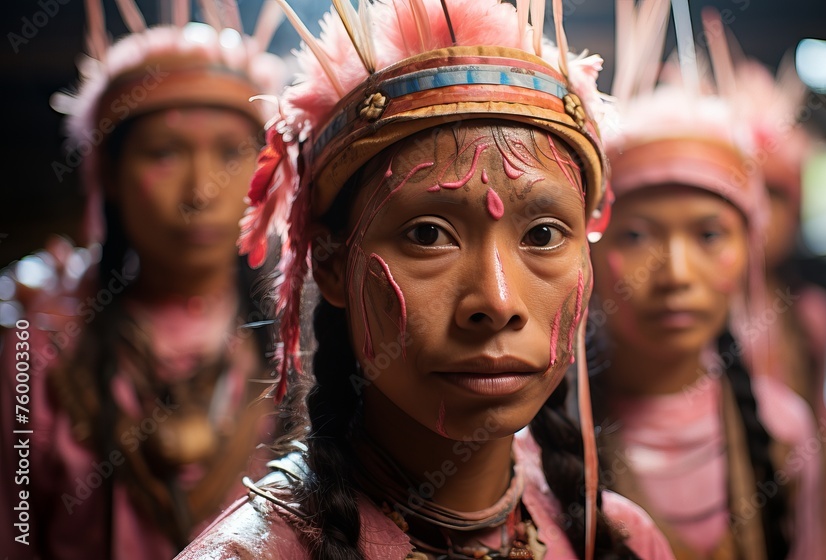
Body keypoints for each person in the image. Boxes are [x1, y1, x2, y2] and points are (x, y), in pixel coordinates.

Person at [176, 1, 675, 559]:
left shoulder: (627, 542)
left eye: (542, 235)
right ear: (332, 263)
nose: (497, 301)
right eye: (429, 235)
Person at [0, 2, 287, 558]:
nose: (201, 191)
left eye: (231, 153)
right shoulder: (33, 351)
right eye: (164, 153)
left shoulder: (305, 348)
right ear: (107, 171)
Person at [584, 3, 822, 559]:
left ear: (748, 251)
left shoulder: (784, 427)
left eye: (710, 237)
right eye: (637, 237)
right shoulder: (537, 444)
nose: (677, 275)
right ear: (589, 256)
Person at [734, 56, 826, 560]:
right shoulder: (686, 317)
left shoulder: (812, 316)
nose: (759, 212)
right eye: (746, 191)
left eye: (776, 194)